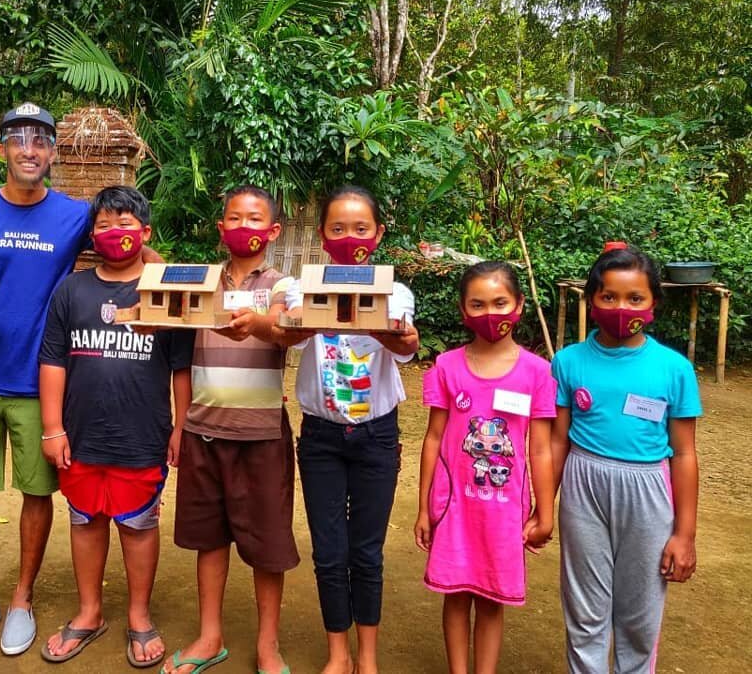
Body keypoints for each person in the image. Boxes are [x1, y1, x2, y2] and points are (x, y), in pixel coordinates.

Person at [0, 103, 93, 661]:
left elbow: (130, 247)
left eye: (40, 140)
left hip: (42, 384)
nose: (29, 149)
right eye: (17, 139)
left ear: (53, 151)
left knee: (36, 493)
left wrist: (181, 278)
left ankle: (22, 598)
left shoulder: (75, 216)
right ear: (2, 148)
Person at [38, 186, 194, 668]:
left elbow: (182, 367)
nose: (114, 234)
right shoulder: (72, 289)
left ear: (145, 233)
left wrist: (181, 427)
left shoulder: (164, 292)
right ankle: (89, 613)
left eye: (126, 225)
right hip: (80, 434)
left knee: (139, 526)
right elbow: (52, 361)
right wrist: (51, 428)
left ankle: (139, 616)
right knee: (84, 521)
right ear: (91, 235)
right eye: (104, 225)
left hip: (142, 434)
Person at [163, 185, 298, 674]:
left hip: (260, 433)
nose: (245, 226)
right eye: (235, 218)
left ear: (273, 230)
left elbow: (288, 330)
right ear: (220, 229)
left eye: (255, 218)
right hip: (202, 429)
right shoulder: (201, 281)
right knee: (209, 539)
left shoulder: (284, 285)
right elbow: (163, 307)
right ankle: (210, 636)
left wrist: (259, 324)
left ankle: (268, 644)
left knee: (268, 546)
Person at [551, 245, 700, 673]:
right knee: (585, 611)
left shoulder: (674, 369)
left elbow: (685, 453)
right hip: (584, 486)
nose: (621, 307)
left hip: (649, 492)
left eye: (635, 298)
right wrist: (544, 504)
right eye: (609, 297)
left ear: (654, 302)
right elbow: (557, 441)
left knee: (640, 613)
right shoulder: (567, 362)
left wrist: (684, 534)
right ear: (592, 301)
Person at [293, 185, 419, 674]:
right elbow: (286, 333)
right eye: (338, 229)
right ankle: (337, 655)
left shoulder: (394, 291)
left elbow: (406, 347)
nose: (350, 238)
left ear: (379, 234)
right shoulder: (303, 289)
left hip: (376, 438)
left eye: (361, 229)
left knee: (366, 551)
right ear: (322, 236)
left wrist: (404, 334)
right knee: (329, 550)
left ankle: (367, 657)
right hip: (320, 438)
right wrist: (296, 321)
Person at [414, 261, 556, 674]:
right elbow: (434, 439)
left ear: (520, 305)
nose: (490, 313)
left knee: (493, 600)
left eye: (500, 302)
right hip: (454, 508)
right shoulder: (447, 366)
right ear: (462, 310)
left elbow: (541, 449)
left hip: (505, 512)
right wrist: (424, 508)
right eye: (478, 304)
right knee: (455, 596)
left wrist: (544, 513)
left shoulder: (538, 372)